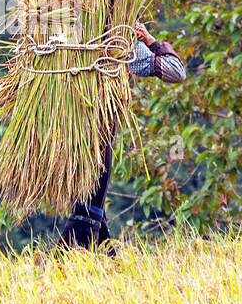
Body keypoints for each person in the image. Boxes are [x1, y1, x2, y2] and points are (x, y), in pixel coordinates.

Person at [57, 22, 186, 254]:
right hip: (96, 134)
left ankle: (105, 261)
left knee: (90, 201)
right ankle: (71, 258)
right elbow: (177, 72)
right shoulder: (118, 40)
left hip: (59, 132)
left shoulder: (59, 33)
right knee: (91, 196)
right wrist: (149, 40)